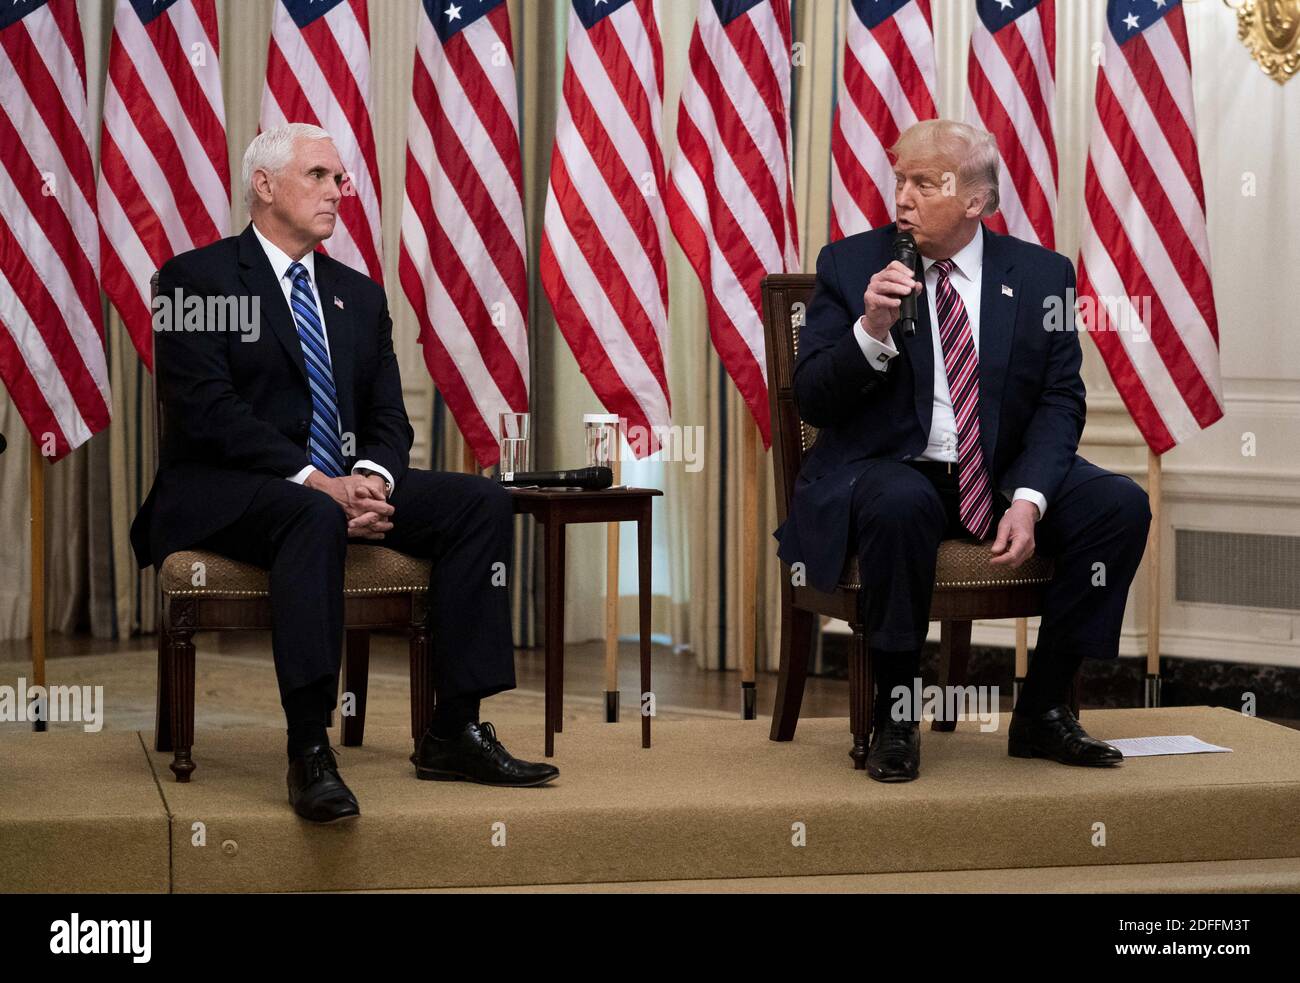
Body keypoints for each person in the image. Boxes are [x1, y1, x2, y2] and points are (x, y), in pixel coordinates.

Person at [131, 123, 558, 822]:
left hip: (336, 485)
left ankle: (452, 730)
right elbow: (209, 413)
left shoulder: (358, 295)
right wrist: (316, 482)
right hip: (224, 488)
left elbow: (389, 417)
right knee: (313, 512)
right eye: (320, 175)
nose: (339, 190)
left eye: (340, 178)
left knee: (480, 501)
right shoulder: (195, 278)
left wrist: (372, 480)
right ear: (264, 186)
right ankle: (309, 748)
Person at [775, 120, 1151, 783]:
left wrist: (1031, 497)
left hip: (999, 473)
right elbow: (813, 400)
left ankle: (1042, 711)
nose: (903, 198)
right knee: (899, 502)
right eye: (899, 181)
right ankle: (896, 712)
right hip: (889, 470)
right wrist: (871, 330)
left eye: (924, 183)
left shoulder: (1041, 275)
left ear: (976, 200)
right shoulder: (852, 264)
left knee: (1119, 506)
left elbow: (1061, 399)